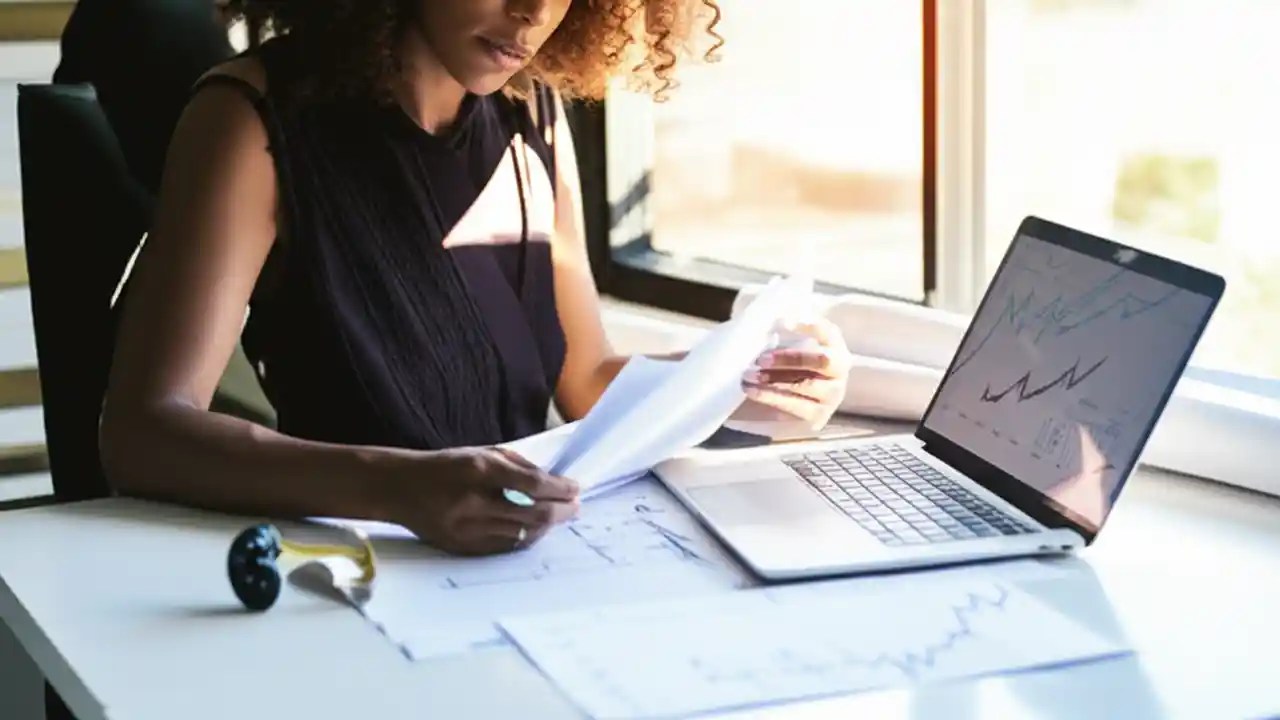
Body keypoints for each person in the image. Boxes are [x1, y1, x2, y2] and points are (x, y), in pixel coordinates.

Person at [98, 0, 854, 558]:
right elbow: (142, 433)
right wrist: (402, 487)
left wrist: (747, 381)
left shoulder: (533, 115)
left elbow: (585, 377)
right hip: (361, 572)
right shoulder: (253, 122)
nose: (532, 16)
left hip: (527, 559)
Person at [53, 0, 238, 196]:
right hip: (192, 186)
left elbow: (63, 96)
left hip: (110, 192)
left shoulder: (99, 9)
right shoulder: (202, 18)